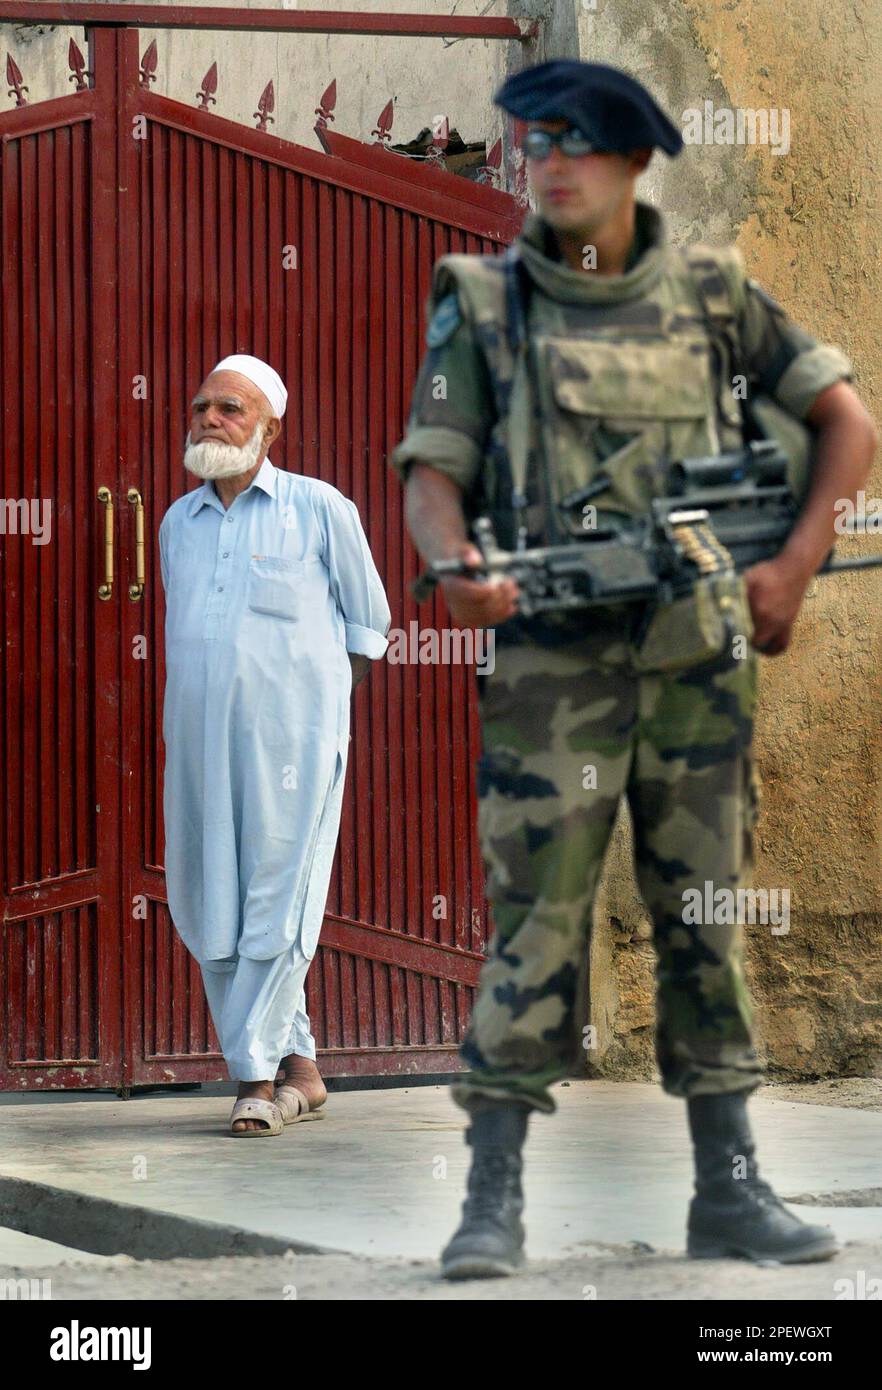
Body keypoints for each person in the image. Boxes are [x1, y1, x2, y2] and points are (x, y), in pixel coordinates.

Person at [391, 61, 877, 1276]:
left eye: (577, 143)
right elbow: (431, 466)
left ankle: (731, 1187)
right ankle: (489, 1201)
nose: (549, 161)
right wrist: (455, 566)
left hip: (696, 662)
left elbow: (847, 425)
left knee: (704, 921)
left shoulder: (716, 297)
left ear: (635, 162)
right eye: (534, 141)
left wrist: (791, 568)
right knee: (533, 927)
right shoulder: (479, 304)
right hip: (554, 666)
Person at [160, 354, 390, 1135]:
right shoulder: (175, 524)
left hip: (293, 746)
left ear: (271, 428)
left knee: (277, 898)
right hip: (195, 741)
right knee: (205, 895)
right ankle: (302, 1070)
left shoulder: (319, 508)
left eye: (229, 408)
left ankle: (253, 1077)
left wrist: (307, 707)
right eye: (200, 407)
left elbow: (368, 626)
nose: (209, 419)